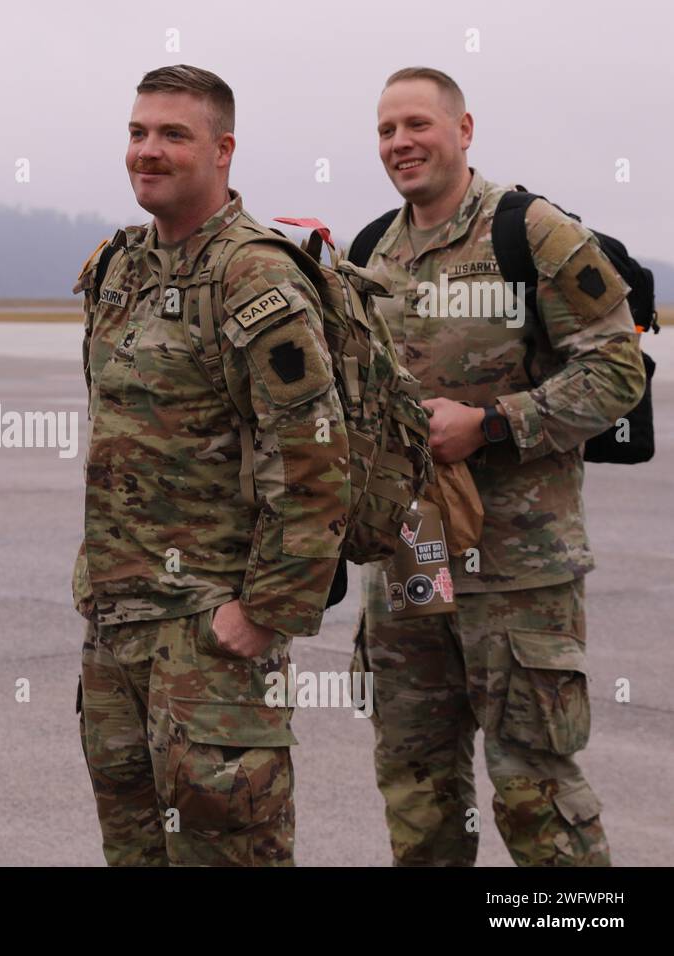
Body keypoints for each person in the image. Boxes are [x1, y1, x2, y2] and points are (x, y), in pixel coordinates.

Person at [351, 67, 646, 866]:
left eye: (418, 124)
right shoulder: (371, 249)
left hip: (519, 568)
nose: (400, 143)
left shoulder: (532, 231)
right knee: (416, 782)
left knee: (534, 789)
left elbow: (619, 372)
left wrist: (490, 426)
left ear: (464, 129)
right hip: (412, 559)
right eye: (385, 131)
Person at [73, 65, 350, 866]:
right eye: (137, 133)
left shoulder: (253, 276)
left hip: (210, 636)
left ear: (223, 150)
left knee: (228, 855)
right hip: (116, 629)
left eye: (172, 135)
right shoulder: (116, 271)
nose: (147, 152)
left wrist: (263, 611)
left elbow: (313, 461)